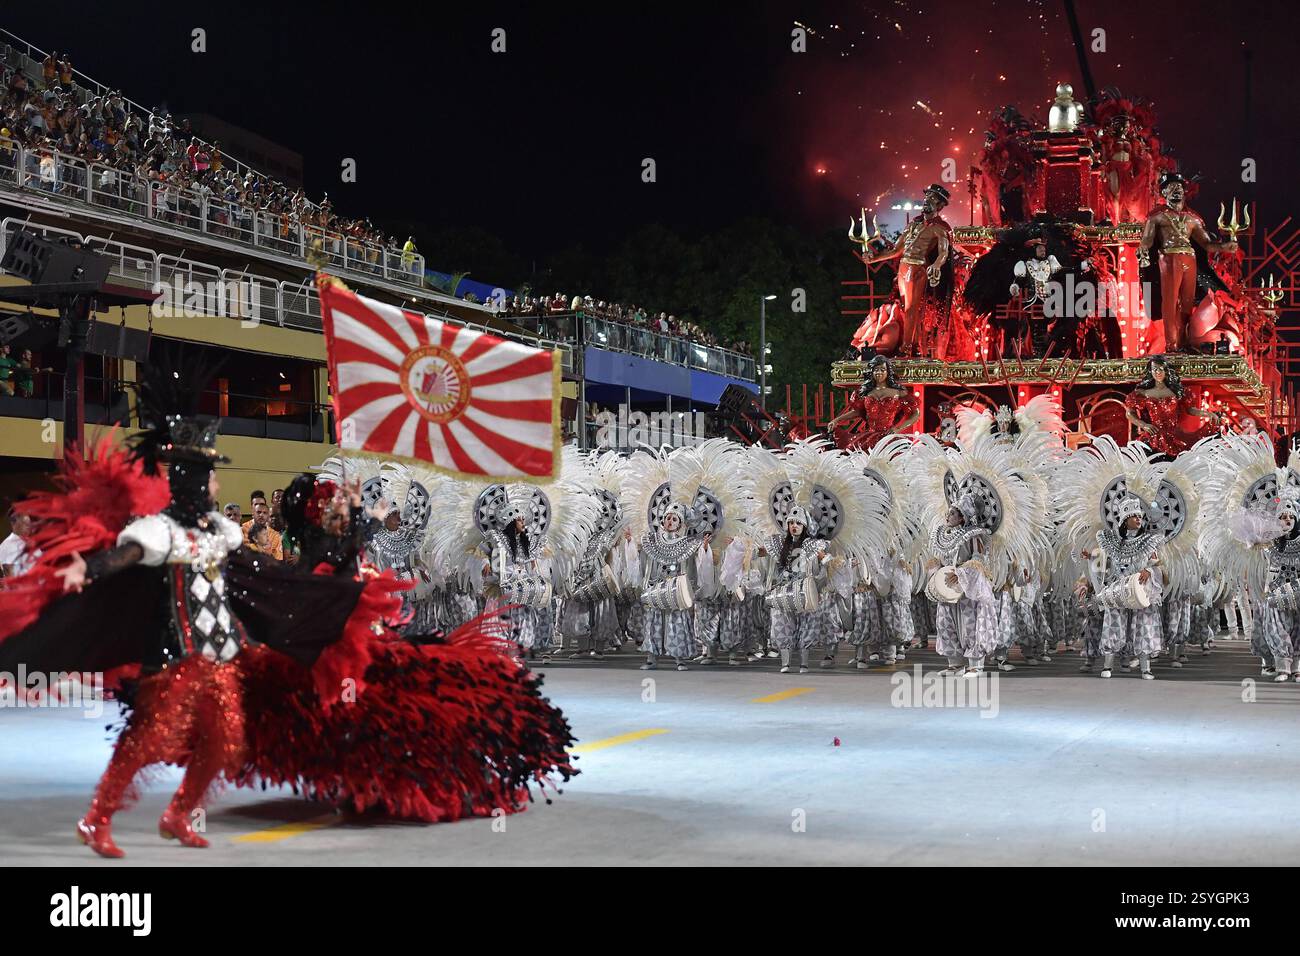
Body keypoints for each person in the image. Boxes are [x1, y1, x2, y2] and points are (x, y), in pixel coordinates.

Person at [1124, 355, 1222, 458]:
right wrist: (1143, 424)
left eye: (1161, 369)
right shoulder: (1142, 393)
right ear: (1150, 371)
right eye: (1154, 369)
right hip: (1153, 435)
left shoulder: (1177, 391)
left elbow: (1191, 410)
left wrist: (1208, 413)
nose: (1158, 372)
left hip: (1175, 435)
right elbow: (1130, 413)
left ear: (1166, 370)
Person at [826, 355, 920, 451]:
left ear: (888, 372)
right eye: (876, 370)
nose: (879, 373)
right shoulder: (865, 391)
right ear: (872, 371)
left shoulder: (898, 392)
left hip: (888, 438)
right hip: (869, 436)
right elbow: (858, 412)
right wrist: (837, 420)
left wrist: (897, 428)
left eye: (882, 370)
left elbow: (916, 414)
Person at [0, 506, 36, 577]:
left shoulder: (28, 541)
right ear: (13, 524)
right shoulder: (8, 545)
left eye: (29, 523)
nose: (29, 526)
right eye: (25, 523)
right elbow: (11, 576)